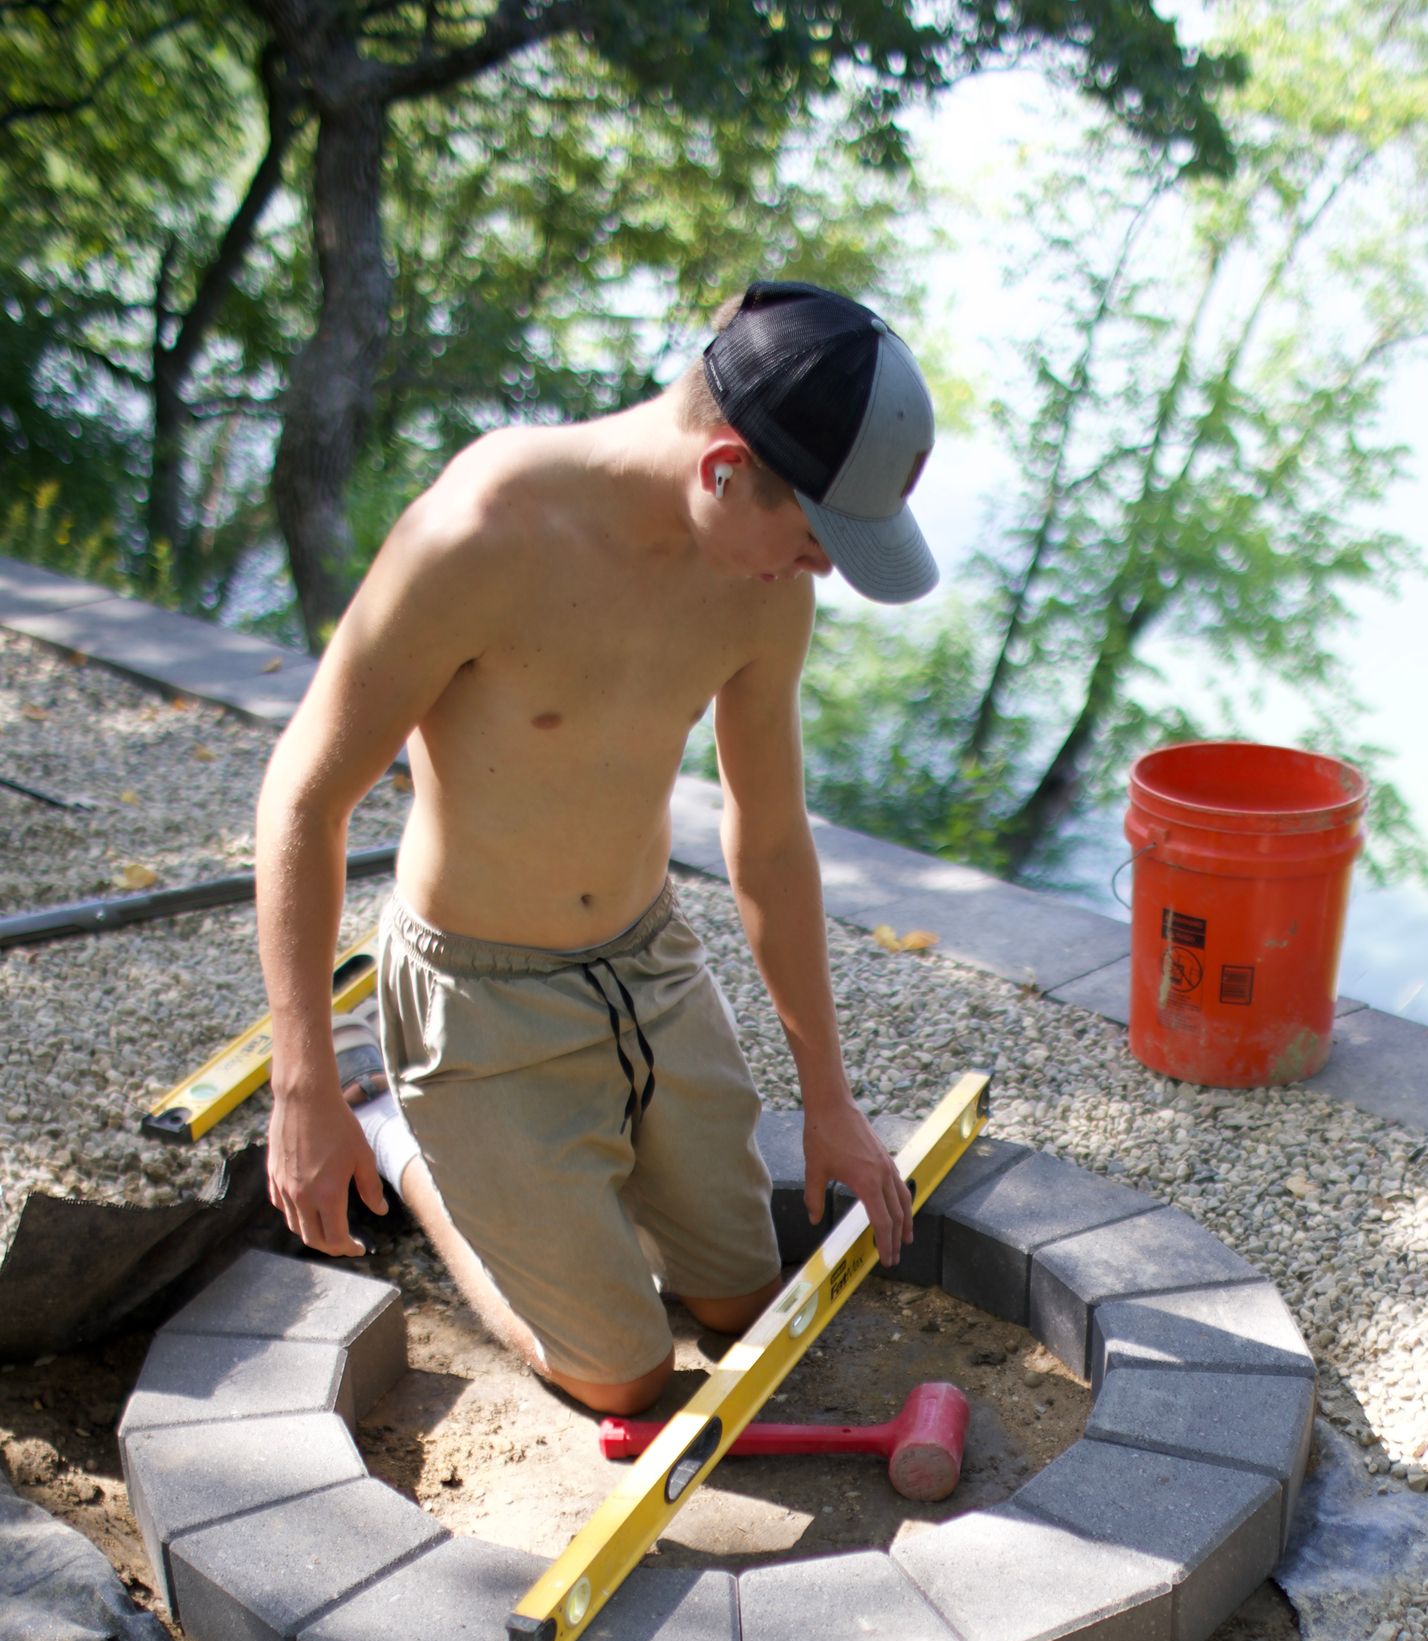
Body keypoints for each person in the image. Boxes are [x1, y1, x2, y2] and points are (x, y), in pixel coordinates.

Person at [255, 279, 938, 1416]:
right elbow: (302, 797)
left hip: (648, 962)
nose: (820, 572)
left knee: (745, 1303)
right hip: (481, 995)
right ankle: (412, 1141)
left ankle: (558, 1189)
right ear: (724, 468)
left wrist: (831, 1096)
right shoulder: (481, 534)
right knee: (624, 1382)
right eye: (819, 540)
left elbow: (767, 836)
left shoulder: (761, 579)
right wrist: (303, 1086)